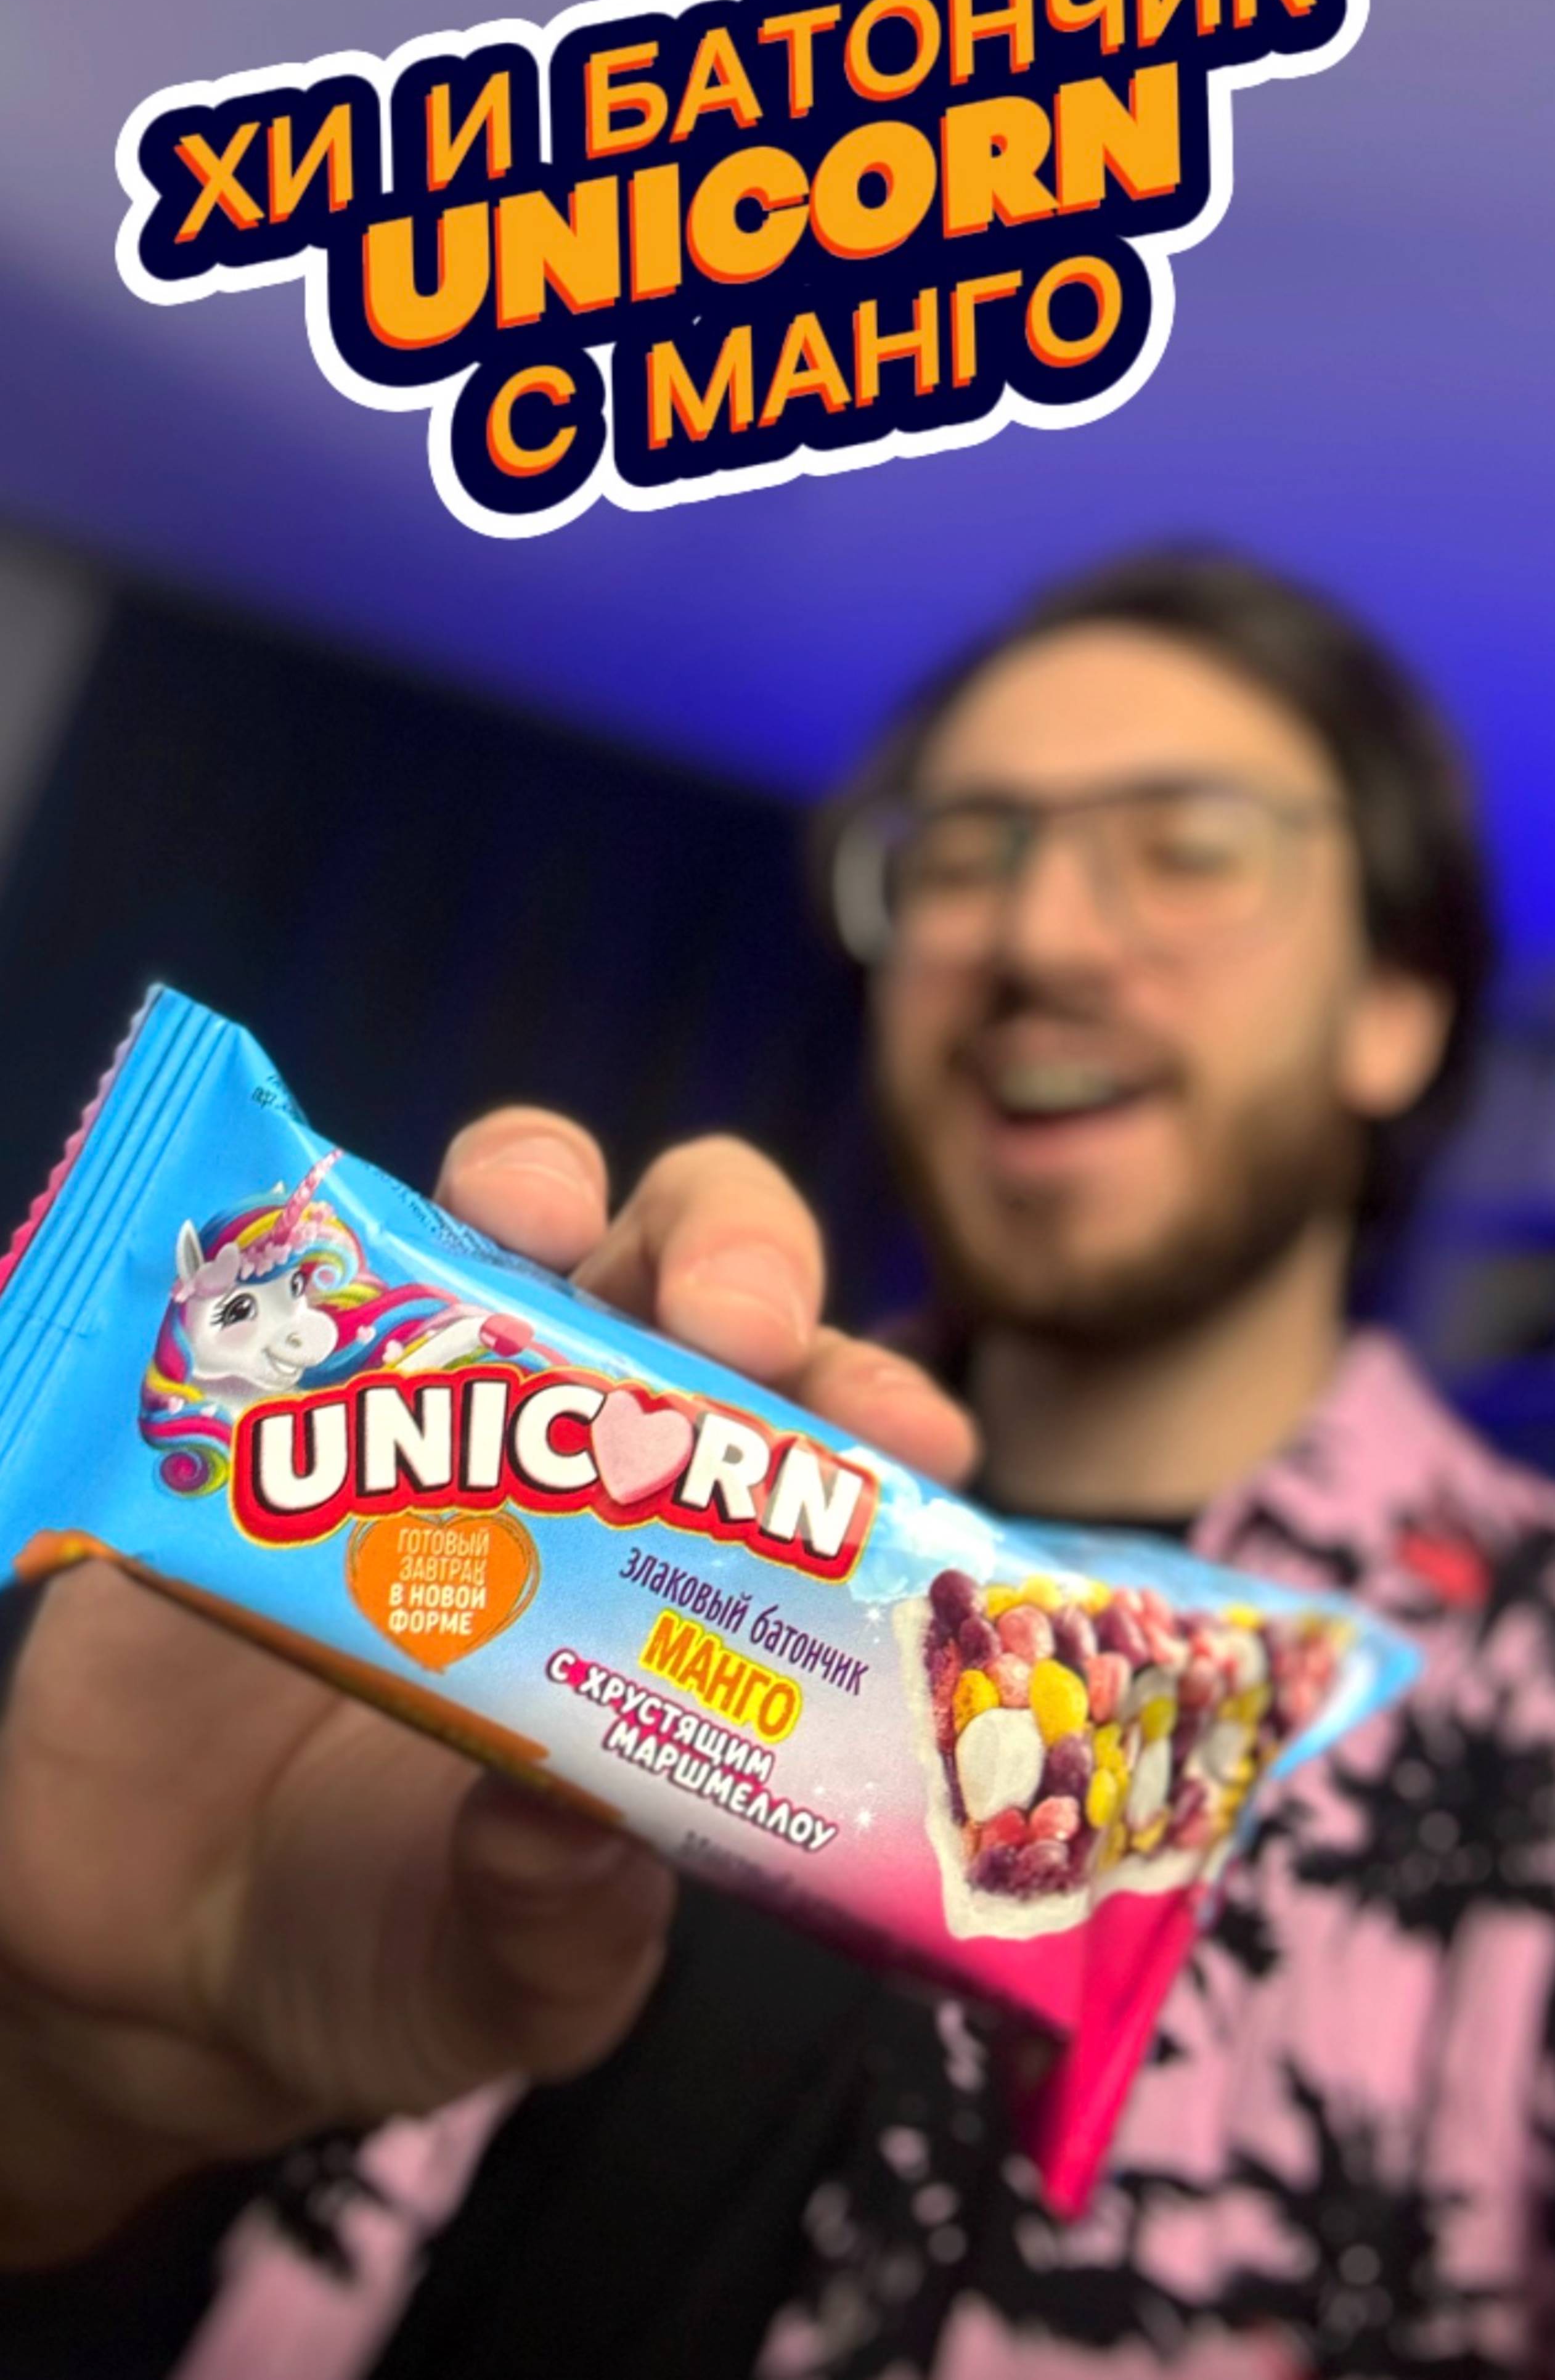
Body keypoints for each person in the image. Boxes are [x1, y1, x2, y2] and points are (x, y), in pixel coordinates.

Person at [1, 544, 1553, 2379]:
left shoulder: (1513, 1721)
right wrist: (86, 2078)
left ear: (1396, 1004)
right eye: (961, 853)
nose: (1041, 936)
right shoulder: (611, 1472)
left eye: (1189, 847)